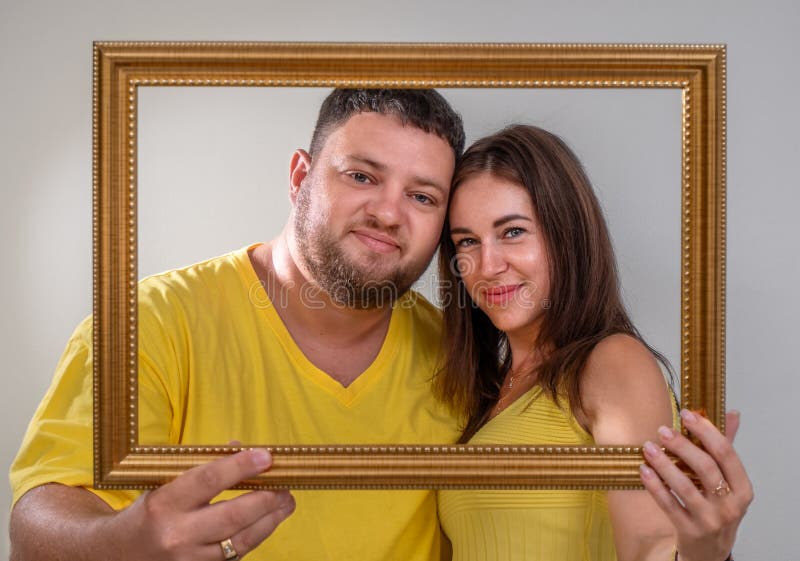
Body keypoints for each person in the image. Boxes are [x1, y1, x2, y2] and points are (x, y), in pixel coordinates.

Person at [9, 89, 466, 561]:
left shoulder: (461, 356)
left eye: (421, 196)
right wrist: (122, 545)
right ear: (300, 177)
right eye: (361, 175)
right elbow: (33, 532)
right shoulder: (150, 324)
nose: (389, 213)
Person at [435, 124, 752, 561]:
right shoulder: (488, 393)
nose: (486, 266)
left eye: (513, 232)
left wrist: (703, 553)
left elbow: (651, 549)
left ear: (567, 236)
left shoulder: (611, 362)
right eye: (467, 241)